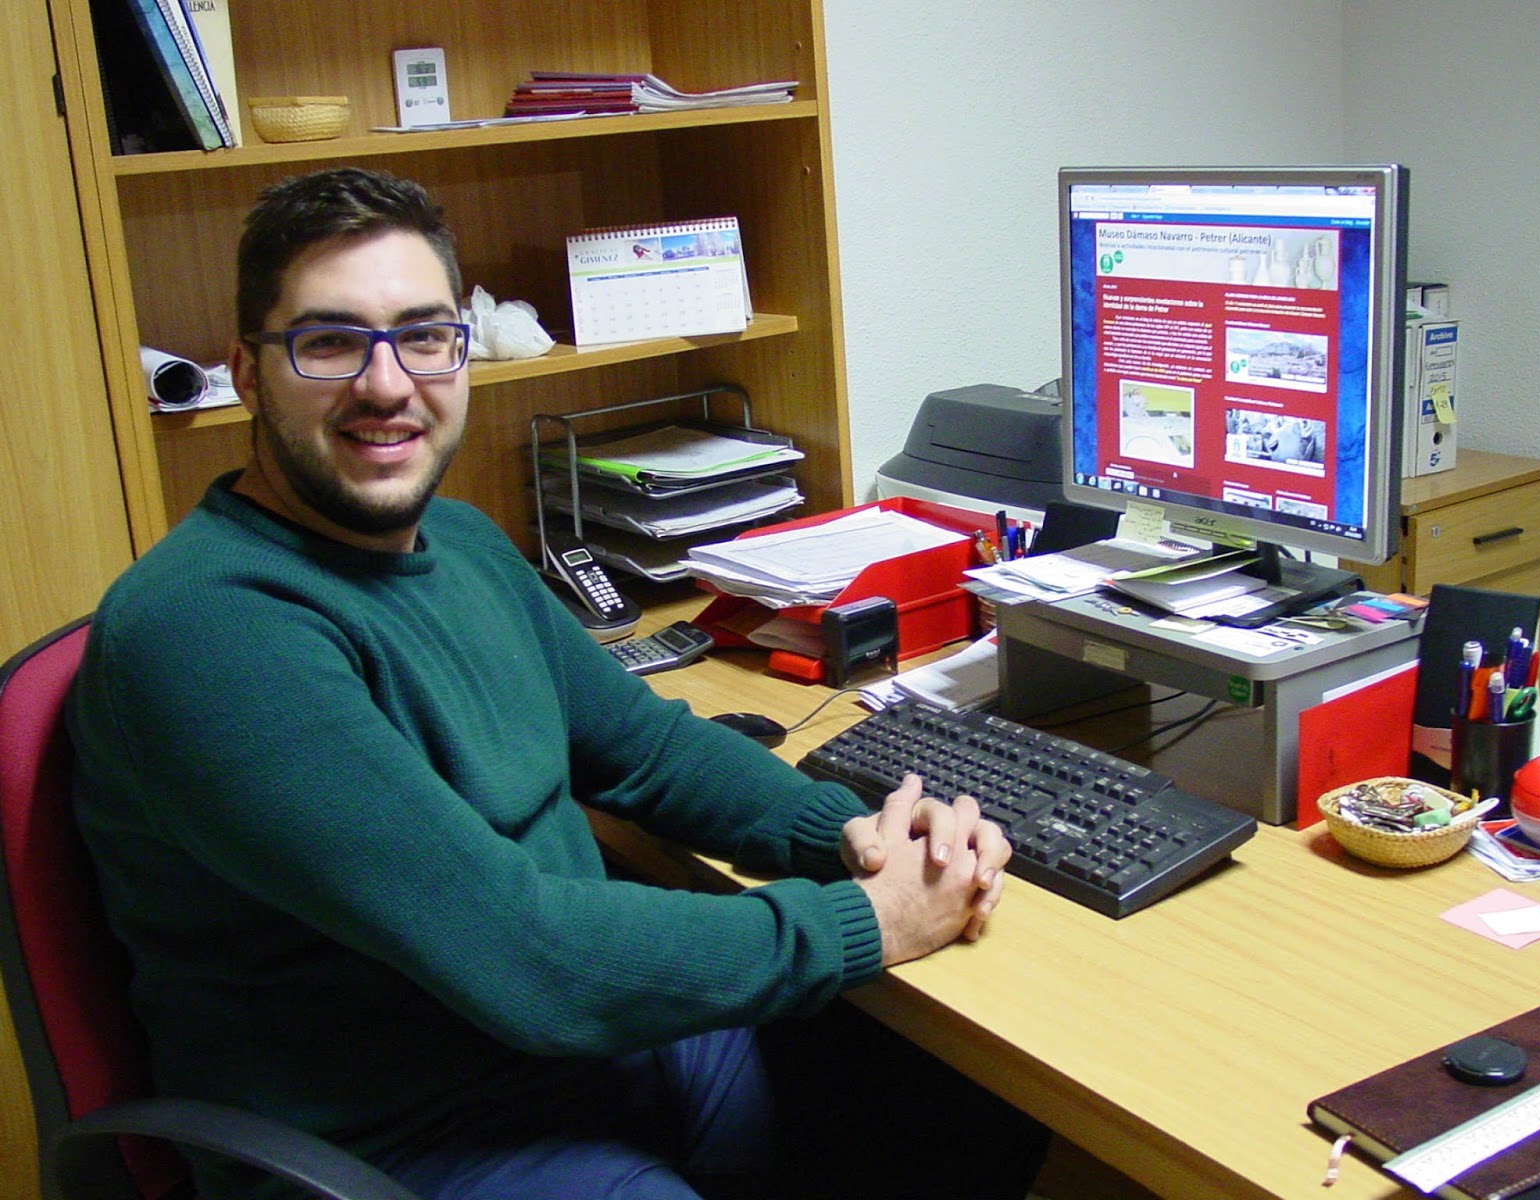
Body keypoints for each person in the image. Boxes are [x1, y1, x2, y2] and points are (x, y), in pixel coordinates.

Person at [68, 167, 1048, 1200]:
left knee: (968, 1104)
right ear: (249, 372)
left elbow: (646, 748)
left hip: (581, 1063)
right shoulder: (212, 632)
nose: (387, 383)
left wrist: (841, 833)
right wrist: (869, 921)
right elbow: (529, 958)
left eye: (423, 334)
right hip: (407, 1143)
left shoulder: (451, 539)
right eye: (328, 342)